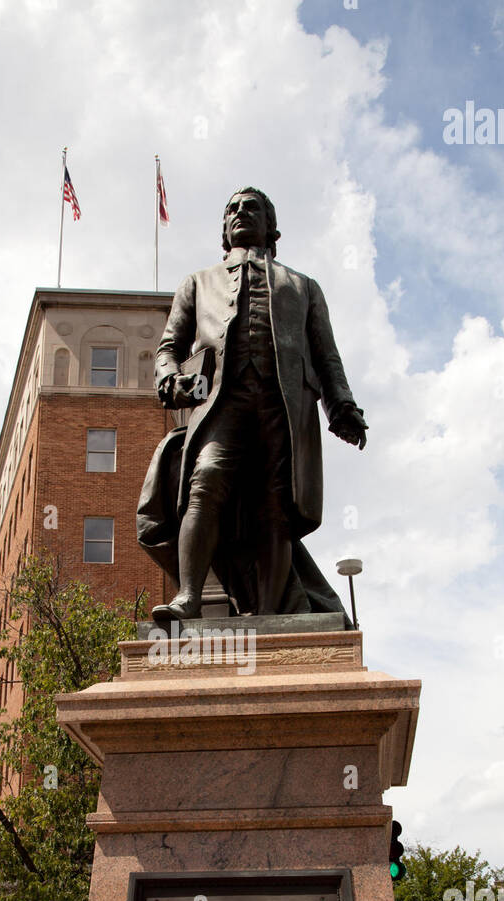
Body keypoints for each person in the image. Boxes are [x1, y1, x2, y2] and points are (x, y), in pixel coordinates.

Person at [140, 187, 368, 621]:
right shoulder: (197, 282)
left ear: (271, 226)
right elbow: (169, 346)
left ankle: (269, 611)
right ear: (224, 230)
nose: (241, 213)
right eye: (233, 209)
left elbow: (326, 357)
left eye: (253, 208)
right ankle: (189, 597)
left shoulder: (303, 287)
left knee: (275, 505)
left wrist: (341, 407)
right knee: (204, 482)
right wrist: (171, 380)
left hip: (283, 406)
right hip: (222, 402)